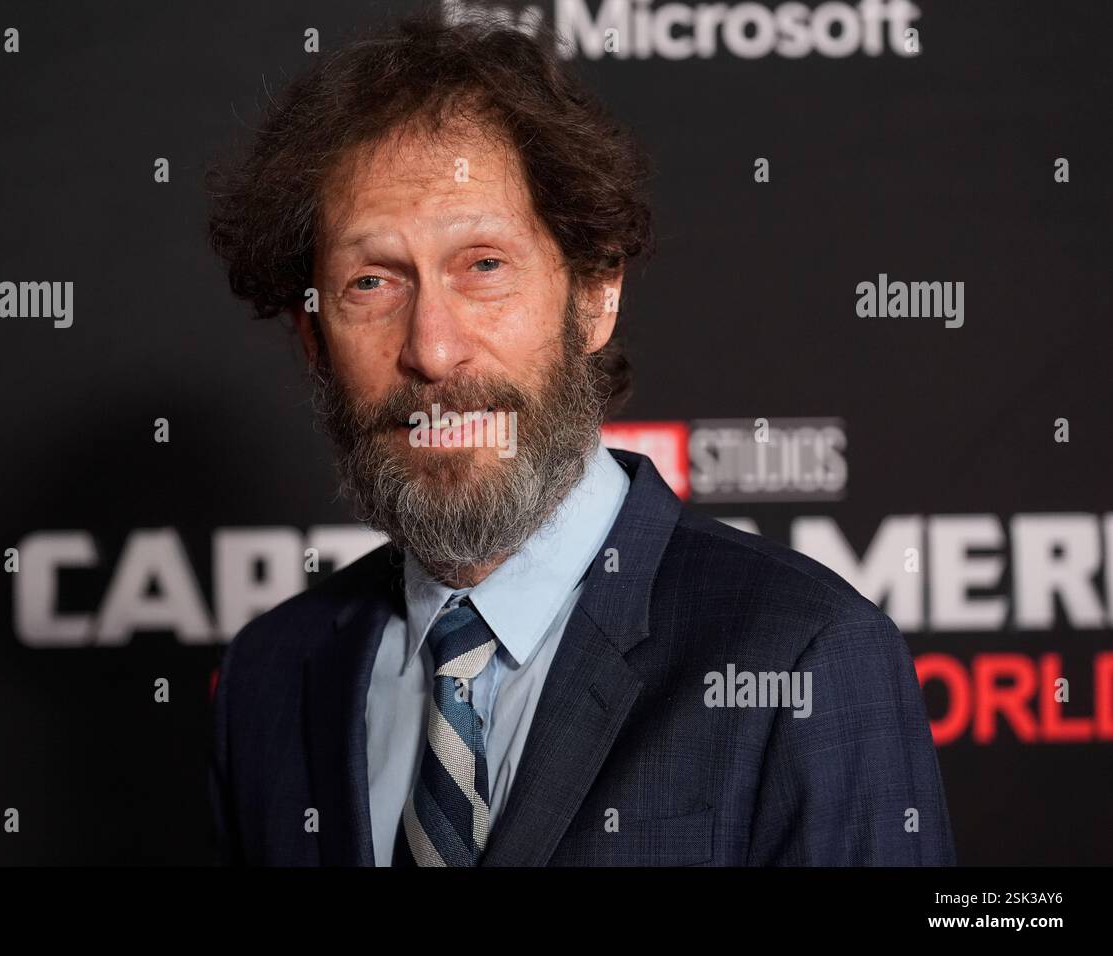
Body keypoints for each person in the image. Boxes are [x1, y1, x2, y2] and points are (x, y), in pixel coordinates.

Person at [204, 12, 954, 866]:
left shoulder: (804, 655)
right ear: (312, 339)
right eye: (371, 282)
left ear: (595, 294)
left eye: (484, 264)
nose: (432, 349)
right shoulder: (270, 680)